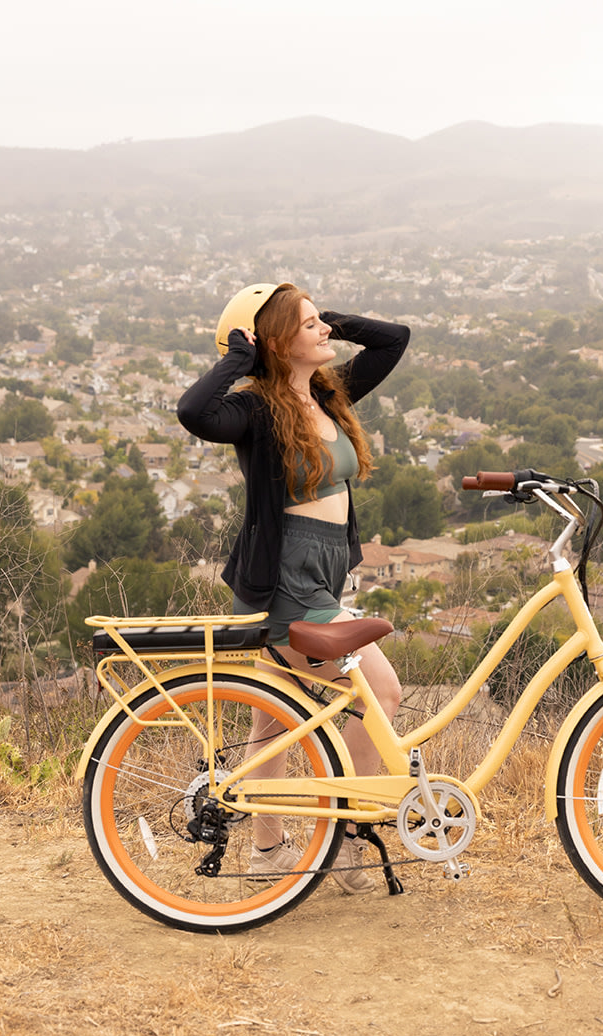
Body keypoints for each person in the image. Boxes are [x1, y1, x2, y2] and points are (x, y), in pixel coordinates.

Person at [177, 283, 408, 894]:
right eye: (310, 326)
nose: (326, 333)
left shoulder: (328, 395)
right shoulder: (256, 410)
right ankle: (349, 838)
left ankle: (268, 851)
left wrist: (319, 319)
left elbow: (394, 339)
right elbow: (194, 411)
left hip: (327, 569)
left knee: (274, 719)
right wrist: (241, 356)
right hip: (286, 576)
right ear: (278, 343)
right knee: (379, 692)